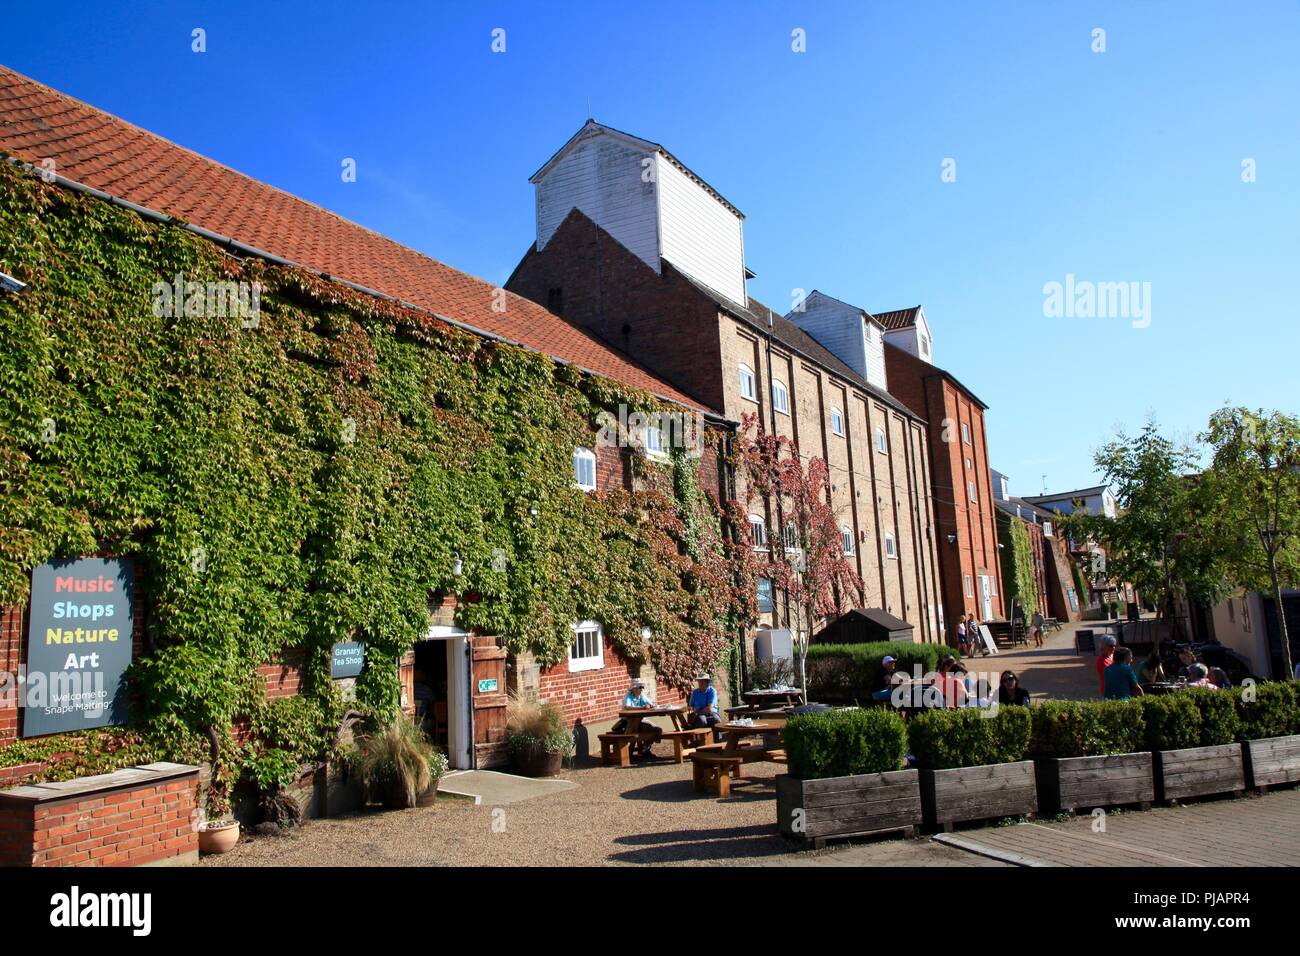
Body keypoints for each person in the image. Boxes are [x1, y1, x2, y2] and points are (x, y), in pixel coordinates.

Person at [612, 678, 661, 758]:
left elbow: (650, 703)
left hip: (640, 720)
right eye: (640, 687)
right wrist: (642, 708)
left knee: (656, 729)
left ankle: (645, 750)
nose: (642, 689)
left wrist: (650, 705)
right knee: (630, 735)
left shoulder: (641, 696)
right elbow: (627, 707)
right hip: (629, 722)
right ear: (634, 688)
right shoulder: (629, 695)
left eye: (642, 687)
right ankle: (625, 754)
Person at [687, 673, 722, 742]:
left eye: (703, 681)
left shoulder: (712, 691)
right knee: (702, 720)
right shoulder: (695, 692)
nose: (700, 683)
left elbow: (709, 708)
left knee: (716, 719)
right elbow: (690, 707)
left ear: (707, 682)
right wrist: (692, 714)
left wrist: (697, 712)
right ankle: (699, 741)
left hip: (711, 712)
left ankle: (717, 741)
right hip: (699, 714)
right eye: (699, 681)